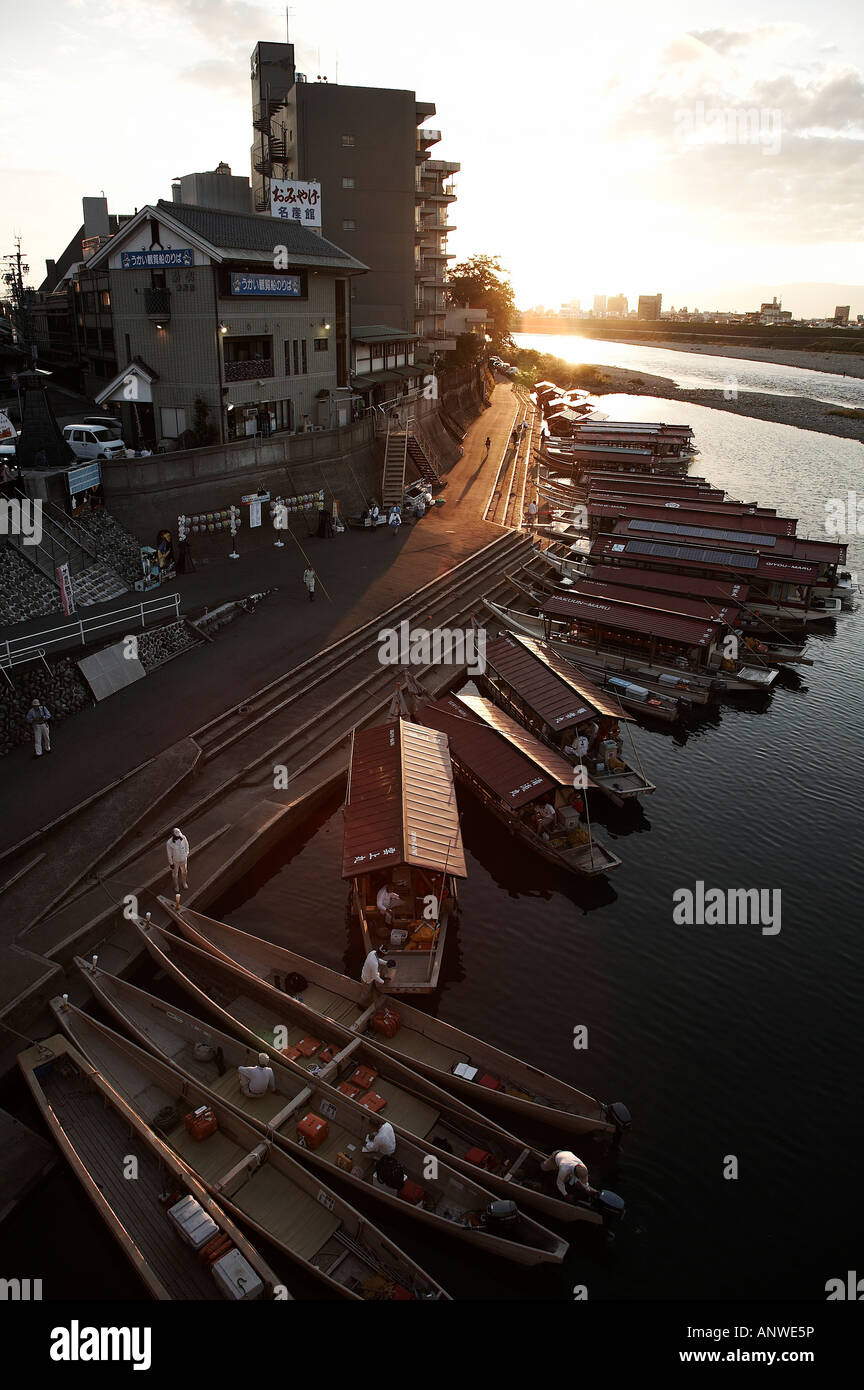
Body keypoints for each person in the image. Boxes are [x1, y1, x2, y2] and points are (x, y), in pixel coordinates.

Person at [166, 827, 189, 892]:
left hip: (183, 859)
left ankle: (184, 883)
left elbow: (187, 845)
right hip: (175, 861)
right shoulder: (169, 843)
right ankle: (176, 886)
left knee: (184, 872)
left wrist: (186, 854)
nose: (179, 837)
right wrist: (171, 863)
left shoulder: (183, 837)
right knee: (175, 874)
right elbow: (169, 854)